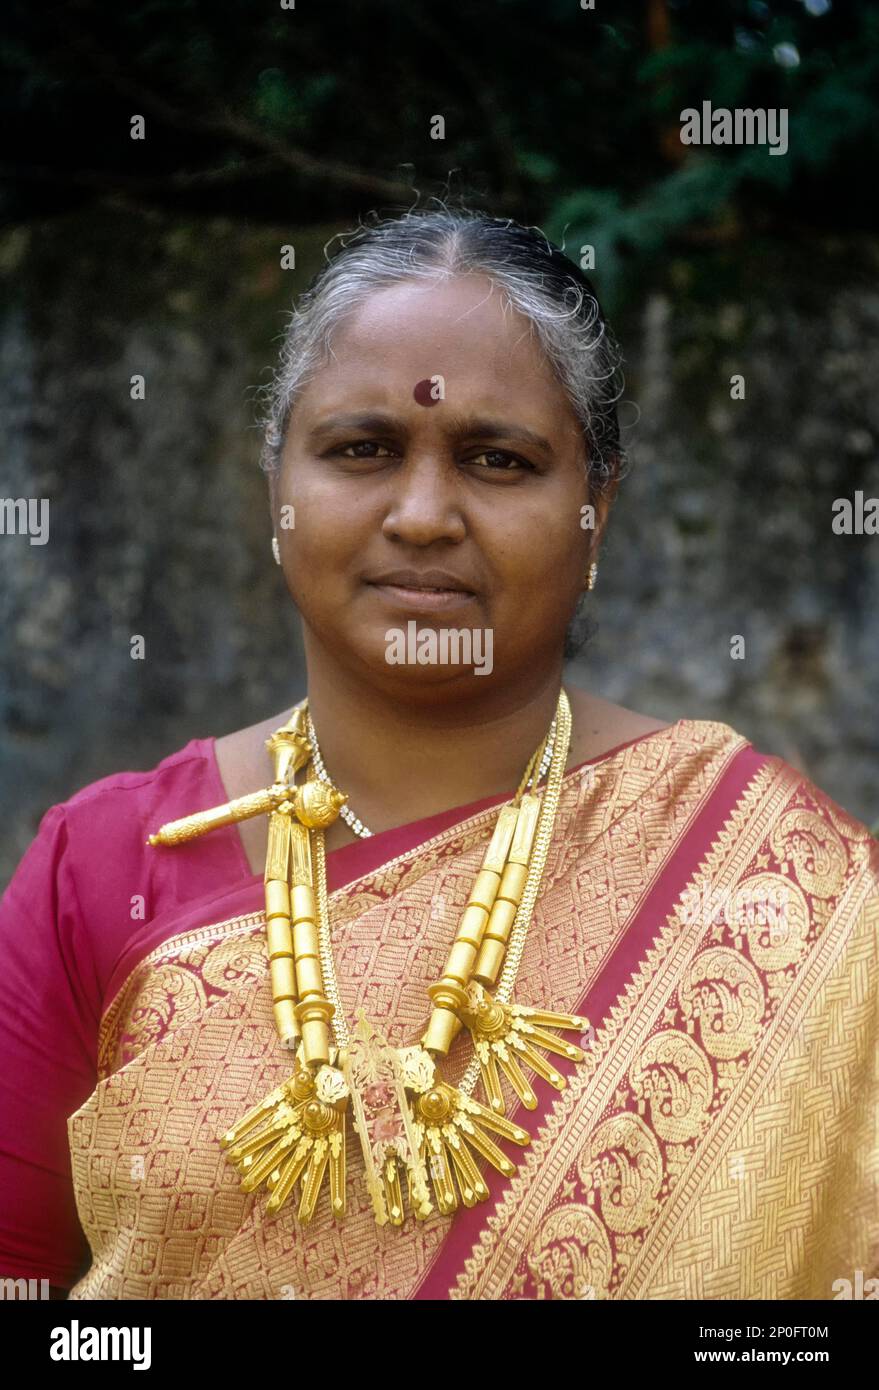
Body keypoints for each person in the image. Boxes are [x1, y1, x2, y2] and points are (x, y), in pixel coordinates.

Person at [0, 209, 876, 1301]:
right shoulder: (104, 867)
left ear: (595, 511)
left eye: (497, 460)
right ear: (275, 489)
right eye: (362, 449)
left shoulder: (778, 884)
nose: (422, 514)